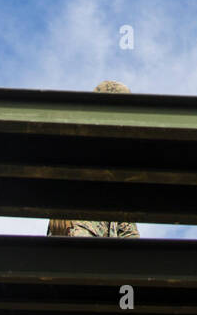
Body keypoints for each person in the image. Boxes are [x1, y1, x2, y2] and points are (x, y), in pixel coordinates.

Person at [46, 80, 140, 238]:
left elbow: (126, 221)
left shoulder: (122, 154)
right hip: (79, 227)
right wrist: (58, 210)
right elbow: (61, 170)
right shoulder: (80, 138)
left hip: (108, 239)